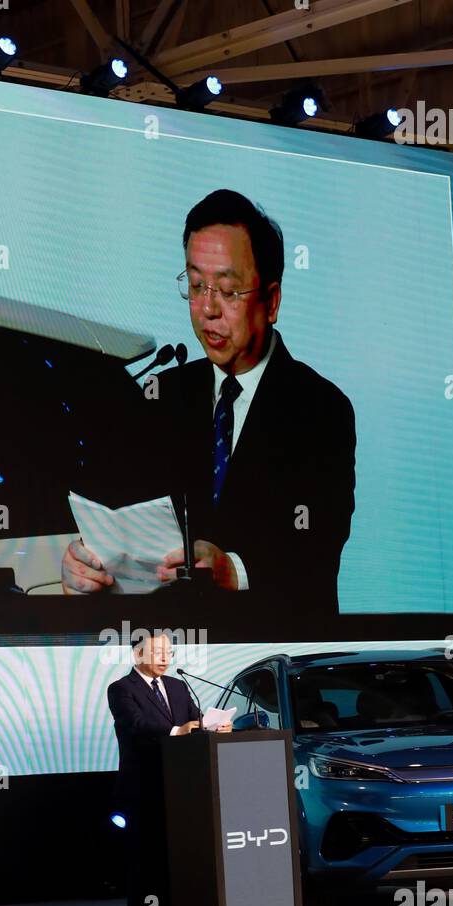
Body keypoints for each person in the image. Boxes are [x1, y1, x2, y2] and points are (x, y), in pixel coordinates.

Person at [62, 188, 356, 617]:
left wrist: (231, 570)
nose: (207, 310)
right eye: (197, 285)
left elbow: (315, 550)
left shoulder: (321, 409)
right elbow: (108, 521)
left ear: (271, 301)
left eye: (228, 291)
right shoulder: (157, 400)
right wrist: (80, 568)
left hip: (271, 658)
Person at [107, 630, 230, 906]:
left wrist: (212, 725)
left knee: (180, 856)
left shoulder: (177, 686)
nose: (164, 658)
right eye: (158, 652)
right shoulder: (121, 689)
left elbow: (194, 720)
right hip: (143, 787)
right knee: (146, 860)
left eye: (168, 653)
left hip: (182, 788)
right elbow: (133, 727)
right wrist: (178, 730)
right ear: (138, 655)